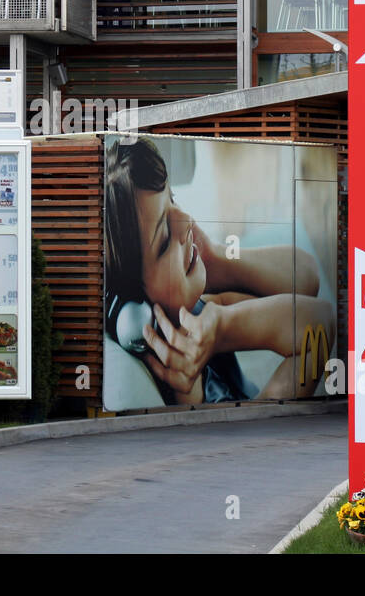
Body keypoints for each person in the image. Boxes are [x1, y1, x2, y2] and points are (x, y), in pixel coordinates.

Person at [104, 137, 334, 405]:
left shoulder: (195, 312)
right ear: (135, 311)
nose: (187, 220)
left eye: (173, 199)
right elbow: (320, 325)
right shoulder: (188, 395)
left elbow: (306, 277)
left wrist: (217, 260)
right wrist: (225, 329)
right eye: (164, 239)